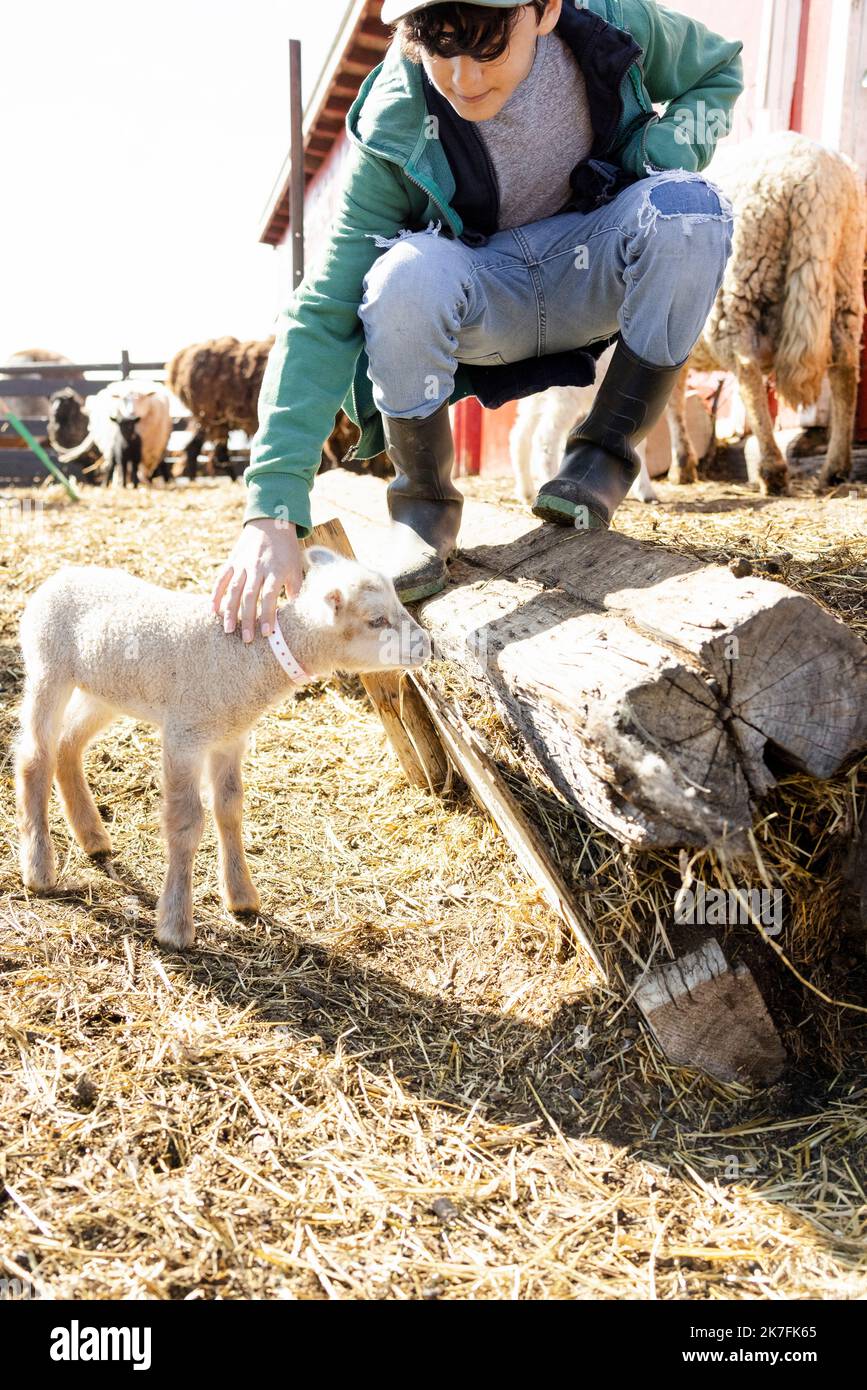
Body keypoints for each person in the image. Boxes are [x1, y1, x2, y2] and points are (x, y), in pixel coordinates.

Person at [213, 0, 742, 639]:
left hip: (593, 269)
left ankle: (603, 458)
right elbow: (322, 312)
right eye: (439, 47)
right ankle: (423, 510)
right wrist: (272, 504)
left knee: (692, 211)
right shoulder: (396, 118)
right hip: (485, 295)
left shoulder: (612, 23)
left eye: (488, 43)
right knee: (399, 276)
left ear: (545, 10)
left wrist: (655, 151)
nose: (463, 78)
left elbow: (718, 70)